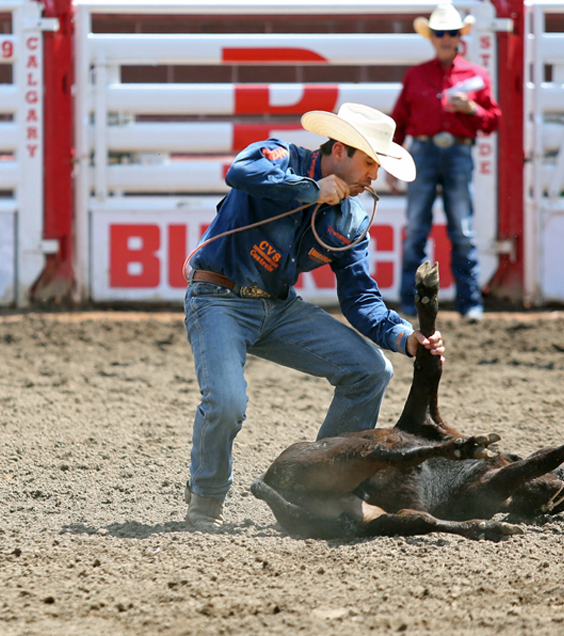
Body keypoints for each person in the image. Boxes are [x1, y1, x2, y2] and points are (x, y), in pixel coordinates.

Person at [182, 103, 445, 531]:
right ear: (339, 150)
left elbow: (360, 296)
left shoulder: (352, 218)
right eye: (368, 163)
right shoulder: (279, 155)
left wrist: (403, 336)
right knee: (227, 403)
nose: (373, 177)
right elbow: (239, 172)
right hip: (218, 297)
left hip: (280, 307)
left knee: (370, 370)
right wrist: (310, 189)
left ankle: (318, 480)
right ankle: (206, 499)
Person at [388, 3, 500, 322]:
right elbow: (399, 120)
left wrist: (472, 111)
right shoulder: (416, 75)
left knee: (462, 230)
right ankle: (411, 302)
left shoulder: (476, 75)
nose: (446, 38)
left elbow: (493, 120)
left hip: (457, 152)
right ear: (432, 37)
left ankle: (468, 302)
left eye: (451, 33)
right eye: (440, 33)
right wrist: (393, 162)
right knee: (417, 229)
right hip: (424, 151)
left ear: (460, 36)